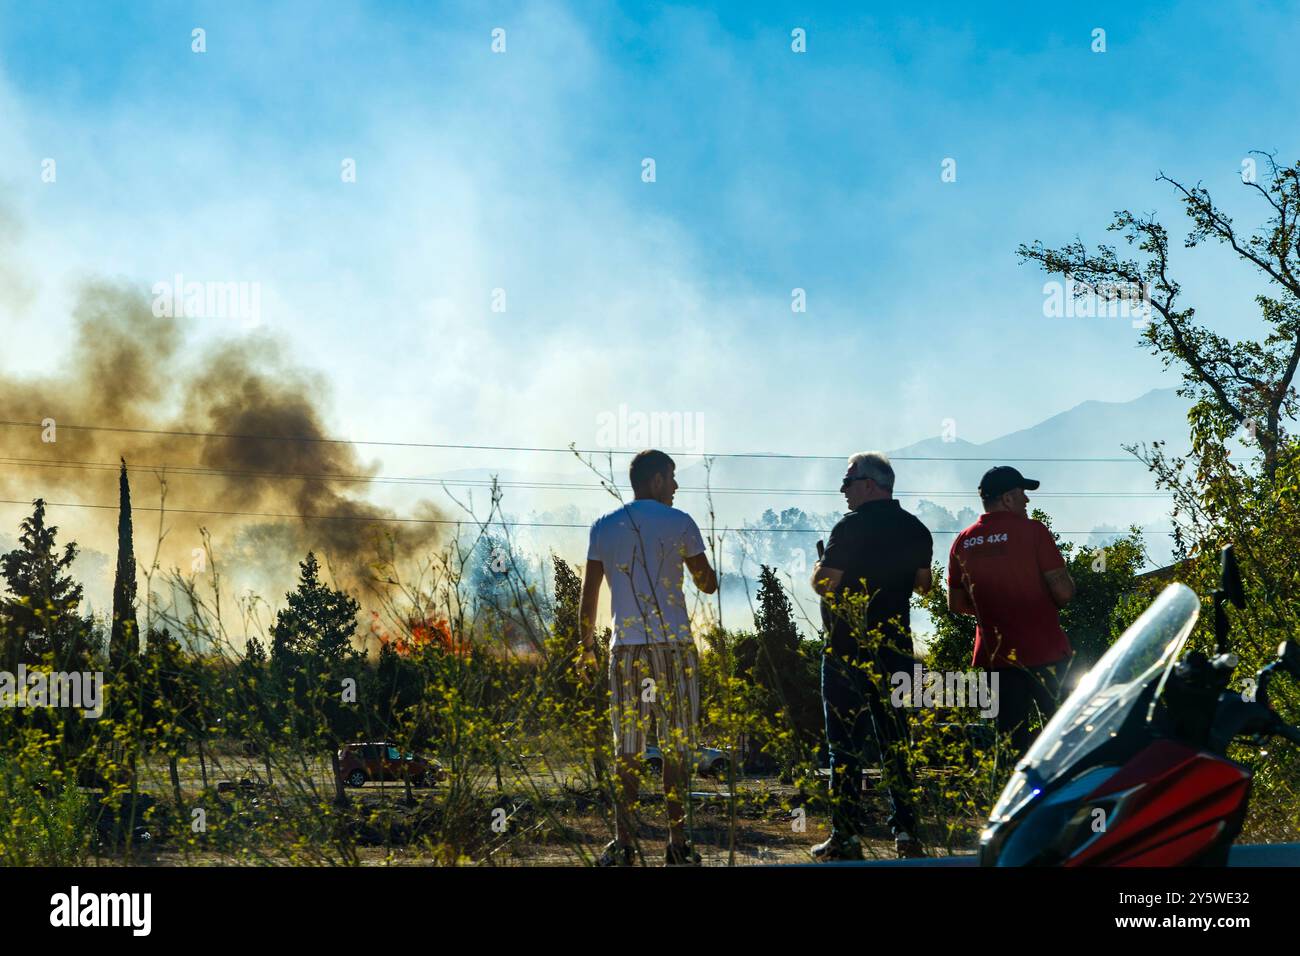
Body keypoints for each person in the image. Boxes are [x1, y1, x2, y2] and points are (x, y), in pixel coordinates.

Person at [580, 449, 718, 866]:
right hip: (673, 646)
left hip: (625, 648)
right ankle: (677, 845)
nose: (676, 486)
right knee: (676, 747)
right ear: (656, 481)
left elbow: (589, 598)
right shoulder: (680, 522)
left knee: (628, 748)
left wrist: (584, 648)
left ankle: (623, 845)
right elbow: (706, 584)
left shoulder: (604, 526)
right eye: (672, 478)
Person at [810, 451, 933, 861]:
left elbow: (825, 584)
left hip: (848, 650)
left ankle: (845, 837)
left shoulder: (850, 528)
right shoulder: (917, 529)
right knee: (896, 741)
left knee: (843, 746)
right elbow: (924, 586)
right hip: (895, 650)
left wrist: (818, 566)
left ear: (870, 484)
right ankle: (907, 836)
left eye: (848, 482)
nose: (843, 490)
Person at [947, 466, 1076, 759]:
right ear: (1007, 498)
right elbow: (1064, 593)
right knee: (1063, 741)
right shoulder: (1033, 532)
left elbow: (955, 604)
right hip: (1046, 654)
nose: (1027, 502)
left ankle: (1012, 800)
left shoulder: (963, 541)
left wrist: (995, 609)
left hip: (995, 660)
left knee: (1007, 748)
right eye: (1022, 494)